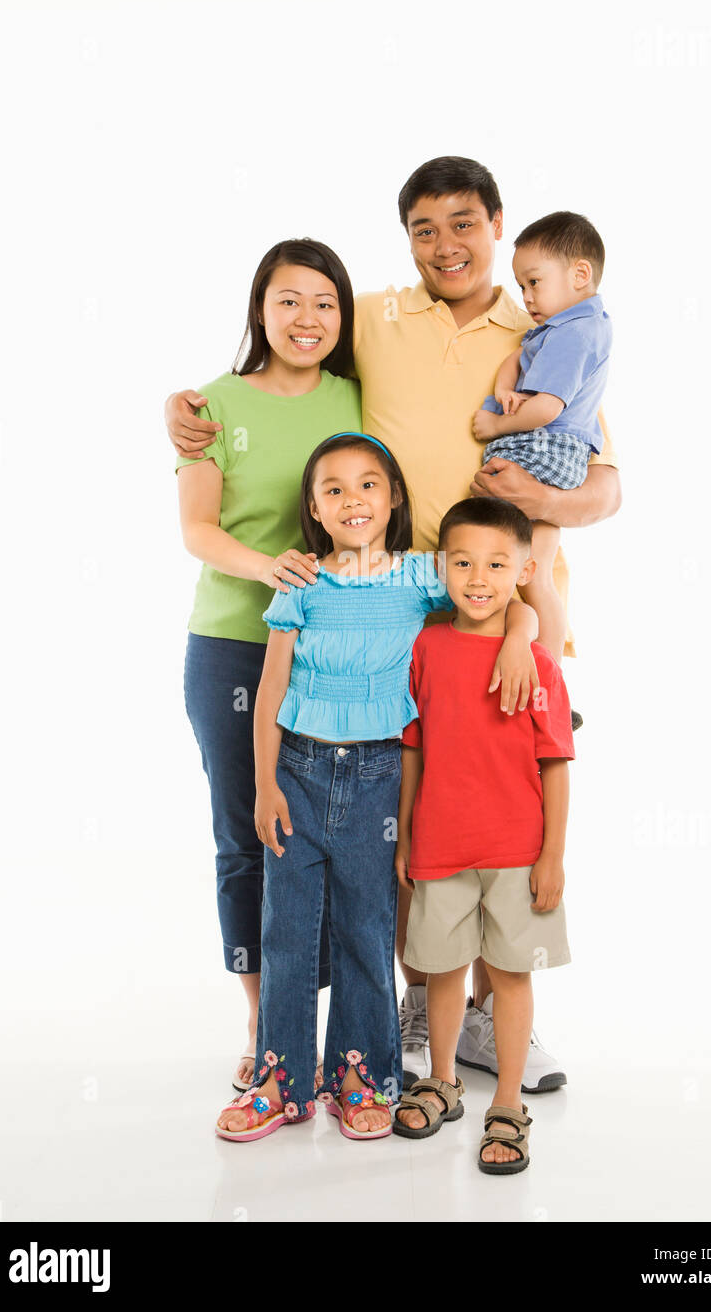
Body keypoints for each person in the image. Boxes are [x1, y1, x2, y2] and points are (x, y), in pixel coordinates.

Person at [165, 155, 621, 1094]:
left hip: (502, 616)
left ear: (498, 222)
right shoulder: (371, 317)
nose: (445, 245)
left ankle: (493, 1017)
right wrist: (185, 409)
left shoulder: (540, 331)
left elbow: (607, 483)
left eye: (464, 224)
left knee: (495, 813)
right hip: (383, 619)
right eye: (423, 228)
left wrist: (530, 515)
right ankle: (375, 1014)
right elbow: (284, 355)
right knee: (401, 822)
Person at [214, 435, 540, 1142]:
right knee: (286, 930)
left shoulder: (423, 574)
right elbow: (272, 687)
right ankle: (280, 1080)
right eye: (333, 488)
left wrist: (522, 633)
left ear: (393, 497)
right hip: (297, 771)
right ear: (313, 507)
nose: (351, 499)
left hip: (379, 776)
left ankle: (360, 1076)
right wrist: (266, 785)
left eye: (368, 485)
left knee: (367, 929)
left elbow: (497, 592)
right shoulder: (298, 583)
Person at [177, 238, 361, 1092]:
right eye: (288, 301)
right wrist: (271, 567)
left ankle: (340, 1024)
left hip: (341, 651)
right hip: (233, 647)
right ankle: (262, 1021)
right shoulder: (211, 405)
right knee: (248, 833)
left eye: (324, 303)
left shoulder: (359, 396)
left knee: (338, 840)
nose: (306, 319)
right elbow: (198, 532)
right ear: (259, 308)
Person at [393, 497, 574, 1174]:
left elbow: (554, 763)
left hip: (515, 850)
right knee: (441, 972)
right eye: (463, 562)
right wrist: (406, 835)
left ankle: (506, 1102)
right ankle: (441, 1081)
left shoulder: (537, 664)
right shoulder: (426, 647)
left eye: (497, 564)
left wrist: (552, 854)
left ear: (523, 569)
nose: (477, 577)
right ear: (441, 567)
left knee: (507, 975)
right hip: (440, 843)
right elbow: (411, 747)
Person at [472, 212, 612, 662]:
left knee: (528, 576)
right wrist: (503, 390)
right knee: (534, 573)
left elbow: (547, 408)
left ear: (580, 274)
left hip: (547, 448)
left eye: (534, 282)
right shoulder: (556, 330)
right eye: (521, 287)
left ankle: (546, 681)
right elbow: (517, 355)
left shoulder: (575, 332)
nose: (527, 297)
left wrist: (495, 423)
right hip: (548, 447)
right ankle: (538, 674)